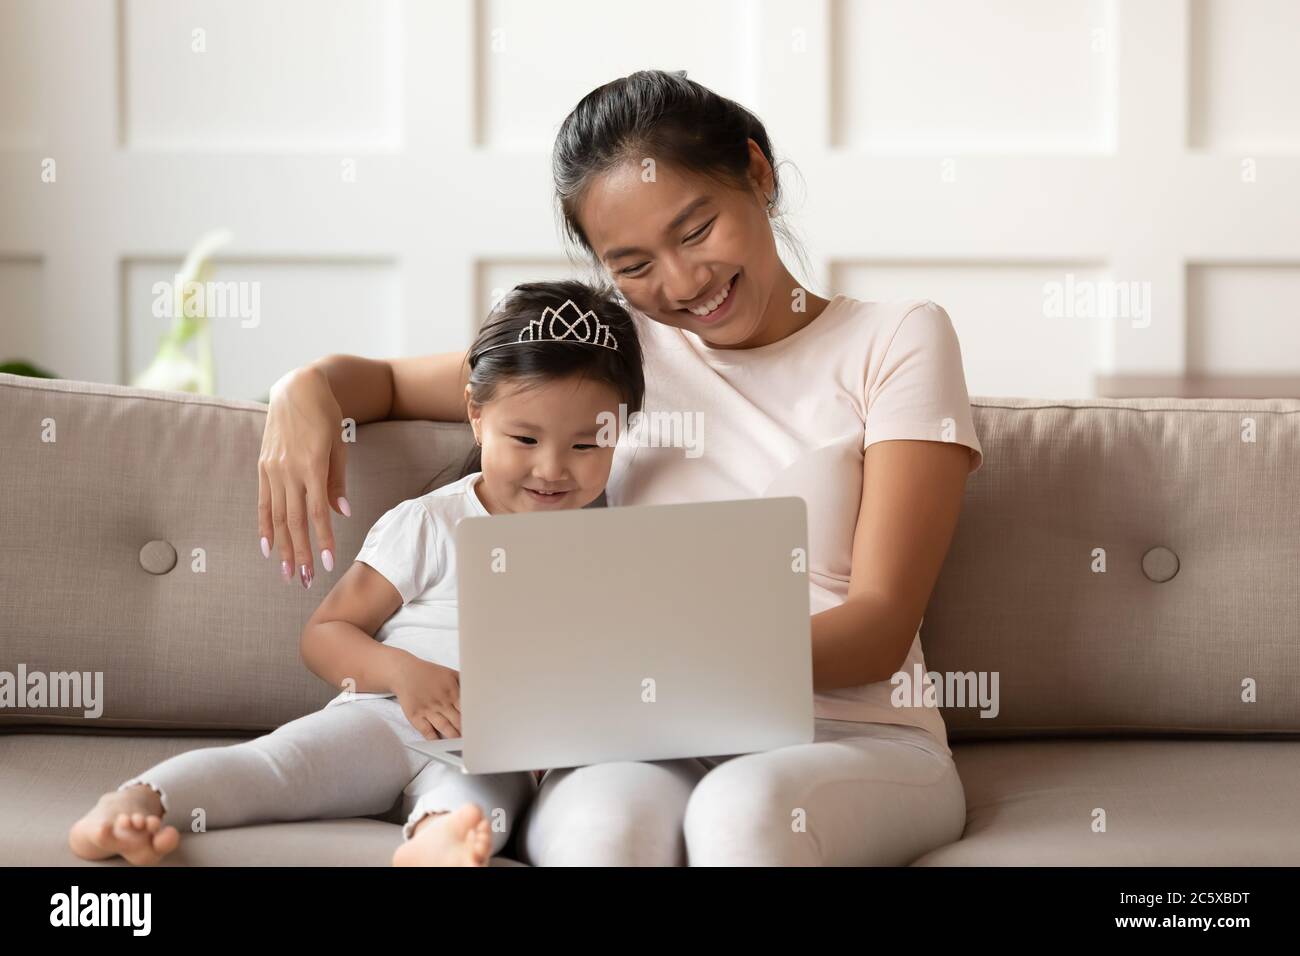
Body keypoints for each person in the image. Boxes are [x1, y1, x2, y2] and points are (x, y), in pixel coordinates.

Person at [256, 70, 985, 866]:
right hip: (642, 734)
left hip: (851, 733)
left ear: (758, 173)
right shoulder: (618, 352)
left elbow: (881, 626)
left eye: (697, 230)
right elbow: (392, 381)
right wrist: (304, 388)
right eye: (633, 264)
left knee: (742, 817)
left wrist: (643, 660)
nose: (681, 283)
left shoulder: (898, 339)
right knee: (599, 832)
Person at [69, 280, 645, 866]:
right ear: (476, 414)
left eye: (585, 445)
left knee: (480, 801)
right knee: (280, 766)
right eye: (524, 438)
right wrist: (401, 672)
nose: (552, 468)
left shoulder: (607, 543)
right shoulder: (434, 522)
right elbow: (325, 635)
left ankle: (437, 842)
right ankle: (135, 803)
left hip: (490, 751)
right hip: (384, 719)